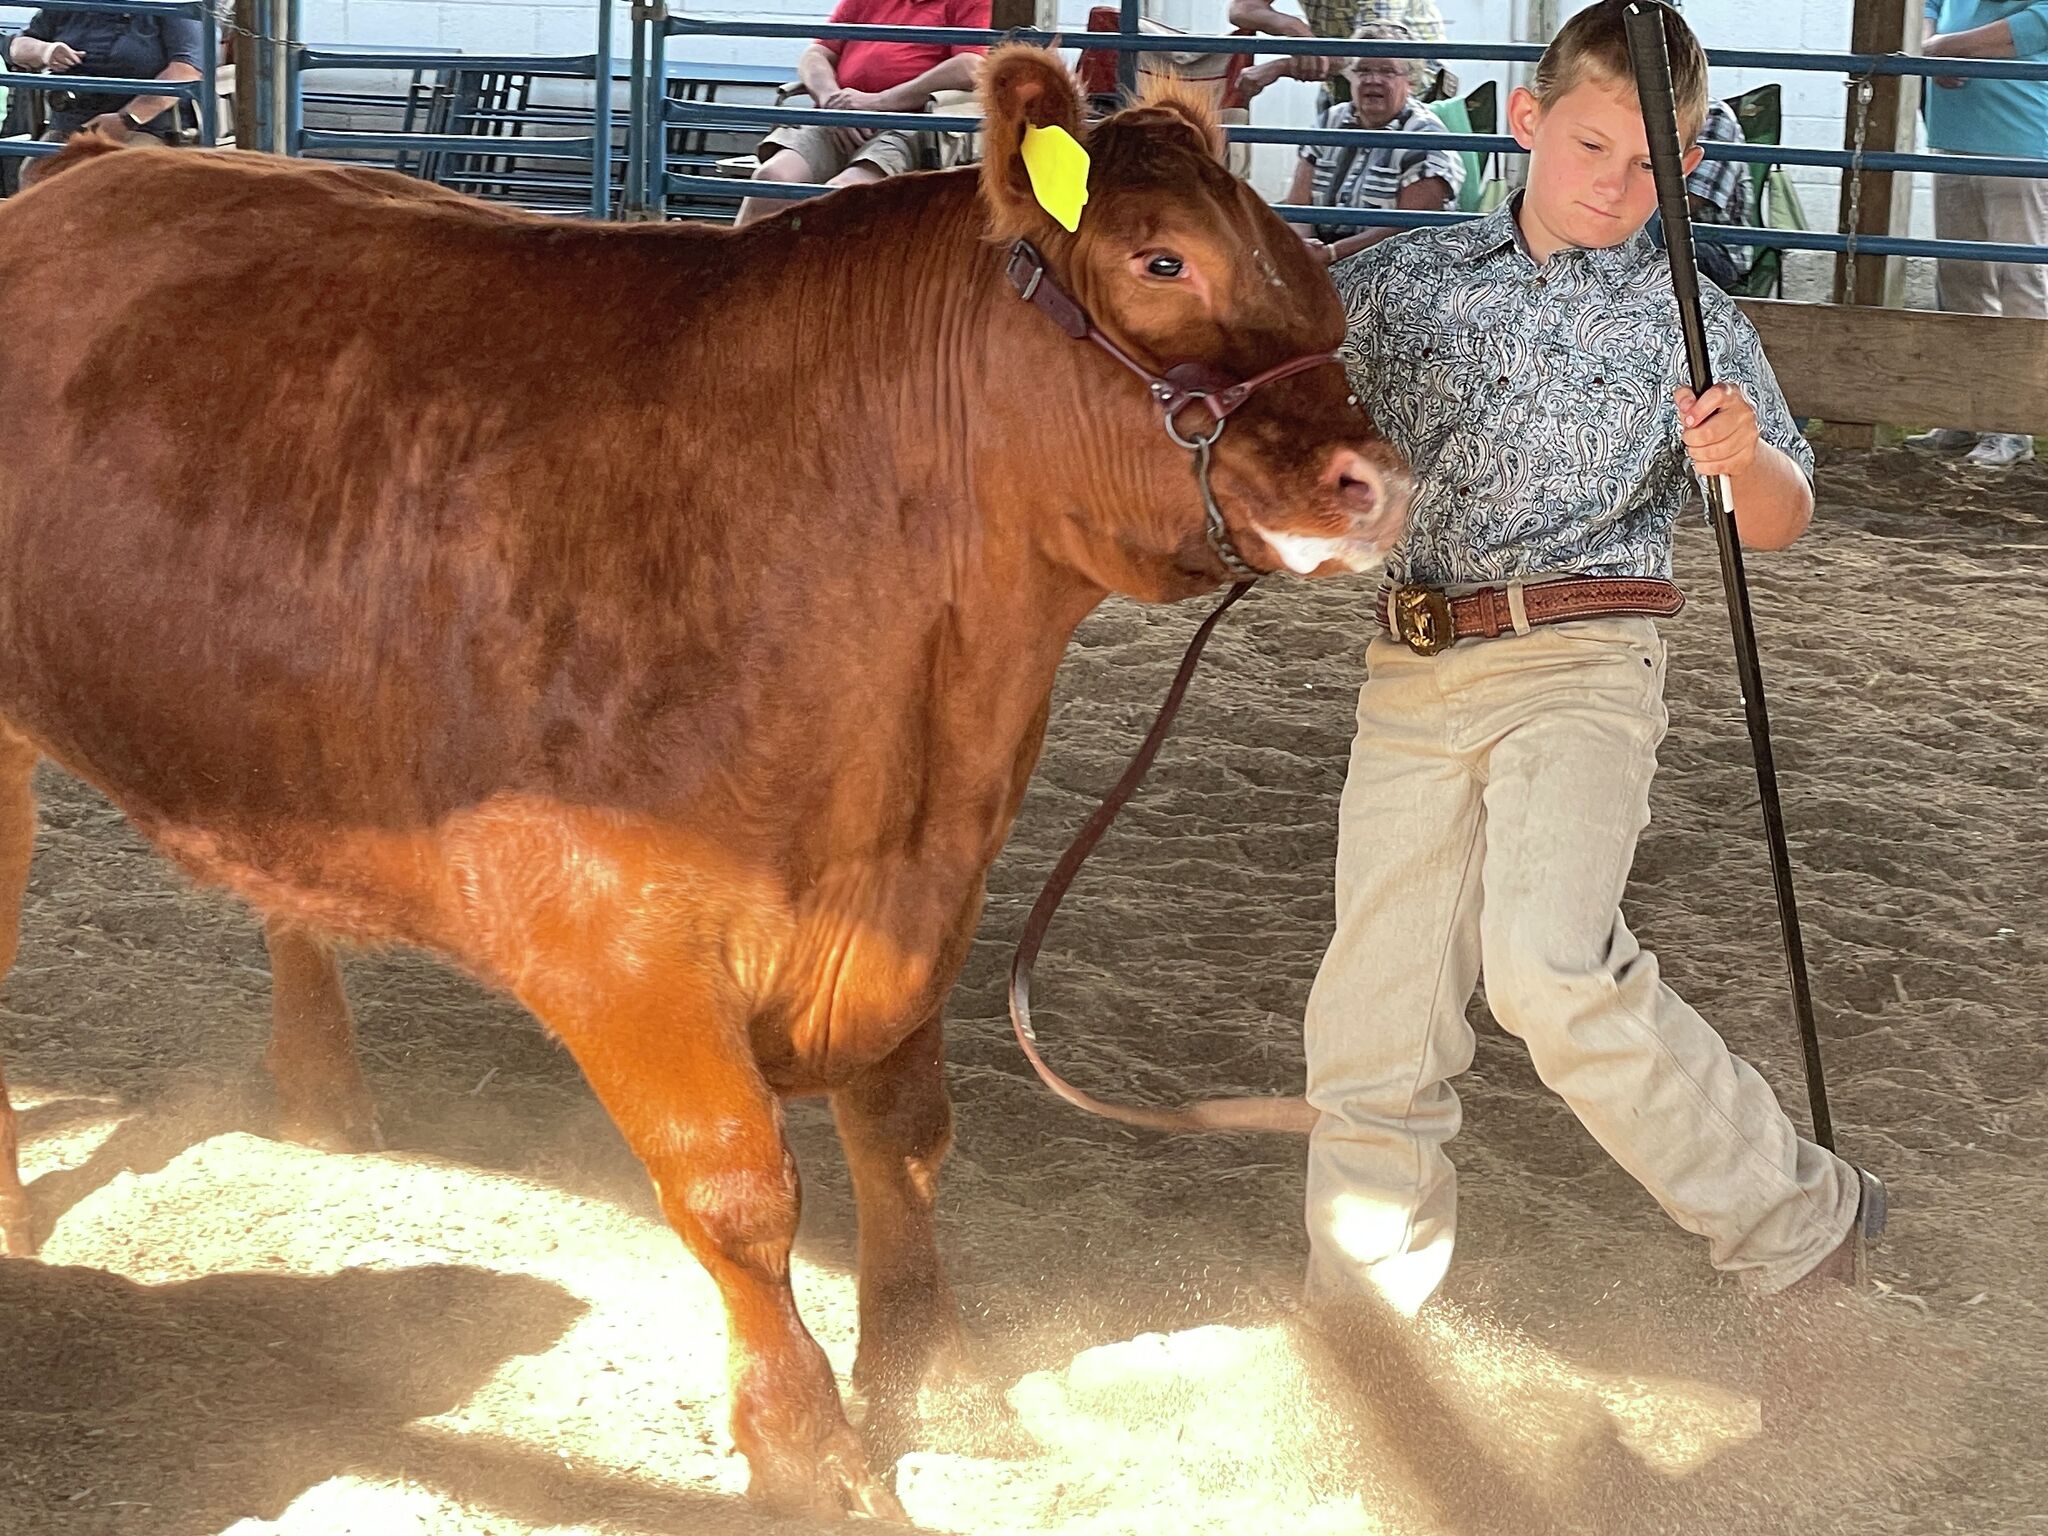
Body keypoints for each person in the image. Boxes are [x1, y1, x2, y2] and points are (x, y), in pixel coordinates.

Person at [1304, 0, 1883, 1323]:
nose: (1619, 184)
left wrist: (1746, 464)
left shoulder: (1693, 319)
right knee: (1373, 1018)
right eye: (1592, 146)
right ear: (1527, 122)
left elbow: (1780, 522)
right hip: (1416, 661)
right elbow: (1292, 405)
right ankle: (1363, 1312)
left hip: (1587, 656)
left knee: (1548, 968)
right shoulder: (1399, 284)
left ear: (1687, 164)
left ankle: (1804, 1225)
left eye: (1654, 158)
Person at [1904, 0, 2048, 467]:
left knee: (2019, 283)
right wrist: (1936, 51)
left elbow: (2035, 24)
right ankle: (1965, 411)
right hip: (1954, 133)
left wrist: (1940, 48)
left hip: (2019, 140)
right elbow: (1929, 4)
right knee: (1961, 279)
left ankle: (2013, 423)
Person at [737, 0, 989, 227]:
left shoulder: (967, 2)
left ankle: (816, 276)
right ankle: (734, 273)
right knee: (770, 181)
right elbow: (816, 53)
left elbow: (969, 66)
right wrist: (832, 101)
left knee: (843, 194)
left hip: (904, 125)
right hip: (838, 116)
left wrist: (877, 102)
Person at [1269, 22, 1462, 265]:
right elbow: (1298, 207)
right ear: (1350, 77)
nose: (1373, 80)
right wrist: (1304, 252)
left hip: (1397, 263)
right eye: (1363, 70)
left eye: (1387, 71)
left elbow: (1411, 226)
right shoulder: (1329, 121)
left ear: (1410, 82)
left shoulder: (1425, 135)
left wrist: (1333, 254)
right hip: (1323, 255)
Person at [4, 7, 201, 143]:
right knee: (34, 172)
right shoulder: (65, 5)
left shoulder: (175, 7)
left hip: (147, 129)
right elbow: (17, 46)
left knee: (113, 180)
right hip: (69, 128)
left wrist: (127, 119)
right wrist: (44, 51)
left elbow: (187, 69)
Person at [1228, 0, 1455, 106]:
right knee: (1330, 175)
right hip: (1343, 78)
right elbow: (1241, 9)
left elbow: (1374, 53)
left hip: (1410, 83)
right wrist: (1294, 29)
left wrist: (1280, 67)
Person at [1685, 97, 1751, 291]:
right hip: (1649, 230)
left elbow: (1693, 200)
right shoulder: (1630, 109)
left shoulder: (1713, 115)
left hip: (1714, 247)